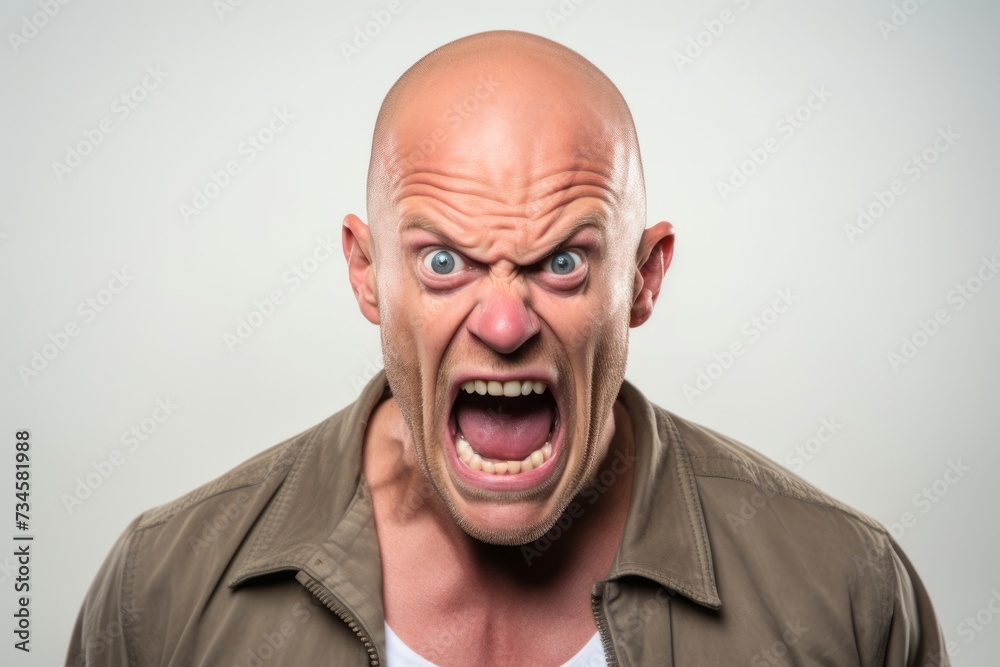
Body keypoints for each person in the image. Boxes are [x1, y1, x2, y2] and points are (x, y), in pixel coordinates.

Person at [67, 30, 949, 666]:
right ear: (366, 273)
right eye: (443, 260)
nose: (502, 324)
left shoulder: (846, 597)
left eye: (563, 261)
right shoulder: (164, 593)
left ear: (645, 278)